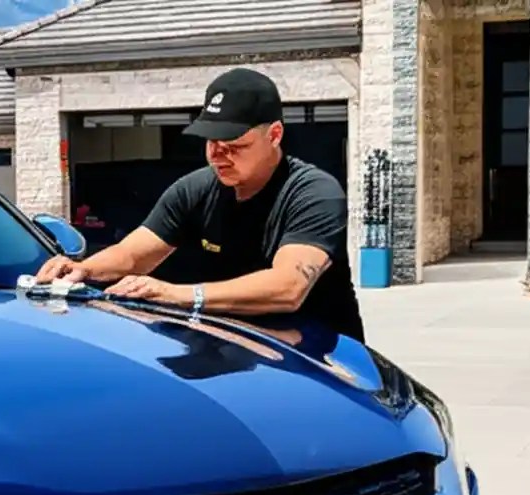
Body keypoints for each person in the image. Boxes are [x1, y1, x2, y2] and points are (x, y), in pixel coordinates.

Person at [35, 67, 365, 342]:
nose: (217, 155)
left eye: (234, 144)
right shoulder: (196, 189)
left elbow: (288, 287)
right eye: (211, 142)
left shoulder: (314, 193)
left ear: (275, 135)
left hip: (320, 363)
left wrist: (179, 294)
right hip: (233, 349)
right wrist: (84, 269)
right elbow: (134, 253)